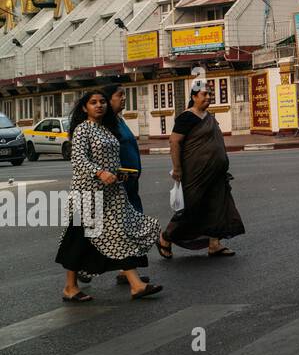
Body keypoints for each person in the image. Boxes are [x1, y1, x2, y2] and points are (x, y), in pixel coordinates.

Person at [55, 90, 163, 301]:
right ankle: (70, 287)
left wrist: (119, 172)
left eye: (102, 102)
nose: (99, 105)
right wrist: (100, 172)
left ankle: (135, 285)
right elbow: (78, 159)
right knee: (77, 239)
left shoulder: (108, 129)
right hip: (86, 194)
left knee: (119, 233)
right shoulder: (82, 130)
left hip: (112, 193)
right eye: (93, 102)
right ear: (85, 107)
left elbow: (112, 158)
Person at [157, 82, 245, 260]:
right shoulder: (187, 117)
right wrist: (177, 168)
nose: (207, 97)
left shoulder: (208, 116)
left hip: (216, 173)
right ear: (194, 97)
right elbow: (174, 142)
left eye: (209, 94)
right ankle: (165, 238)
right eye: (203, 94)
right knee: (191, 207)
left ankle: (214, 244)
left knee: (217, 206)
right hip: (196, 173)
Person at [100, 83, 150, 287]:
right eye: (119, 95)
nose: (123, 98)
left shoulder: (119, 120)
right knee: (118, 228)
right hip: (117, 185)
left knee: (127, 226)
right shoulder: (104, 124)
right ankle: (81, 269)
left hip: (130, 183)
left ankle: (125, 271)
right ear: (109, 99)